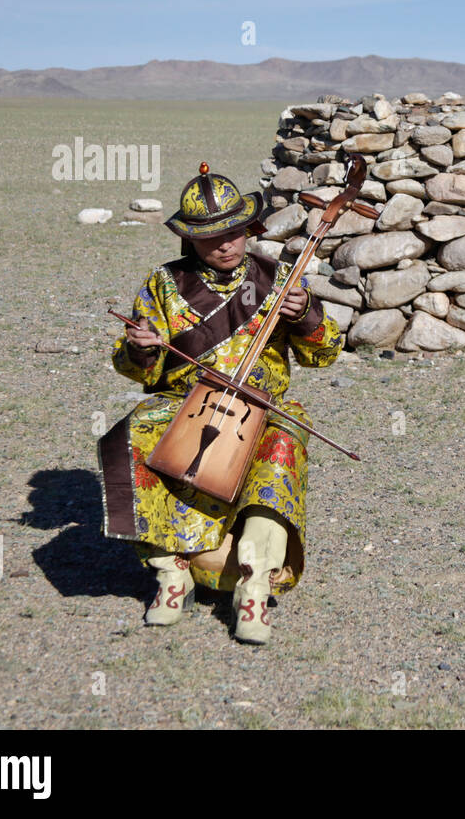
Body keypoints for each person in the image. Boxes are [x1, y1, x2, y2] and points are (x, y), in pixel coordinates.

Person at [98, 162, 343, 645]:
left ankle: (254, 586)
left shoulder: (278, 279)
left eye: (232, 232)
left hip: (264, 403)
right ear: (189, 239)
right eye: (211, 238)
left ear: (247, 228)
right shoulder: (163, 284)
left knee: (281, 448)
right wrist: (142, 346)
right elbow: (134, 367)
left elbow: (324, 355)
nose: (225, 245)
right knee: (138, 432)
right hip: (184, 399)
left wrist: (306, 316)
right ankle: (173, 574)